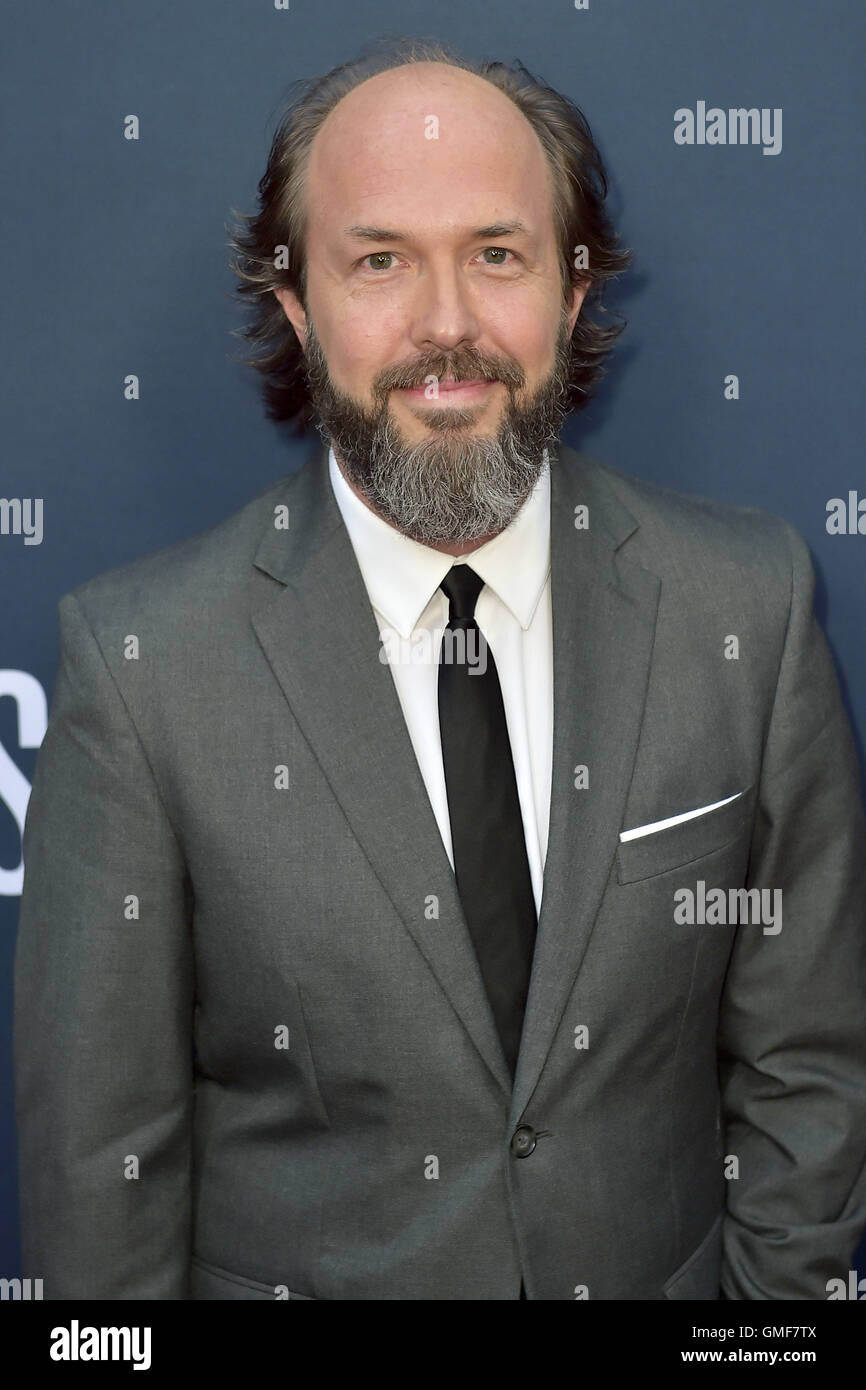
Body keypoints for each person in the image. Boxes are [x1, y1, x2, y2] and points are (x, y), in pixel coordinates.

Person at [14, 38, 866, 1301]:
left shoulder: (744, 603)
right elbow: (104, 1177)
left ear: (572, 295)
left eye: (496, 254)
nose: (447, 326)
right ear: (296, 303)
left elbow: (804, 1060)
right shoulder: (142, 667)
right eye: (378, 262)